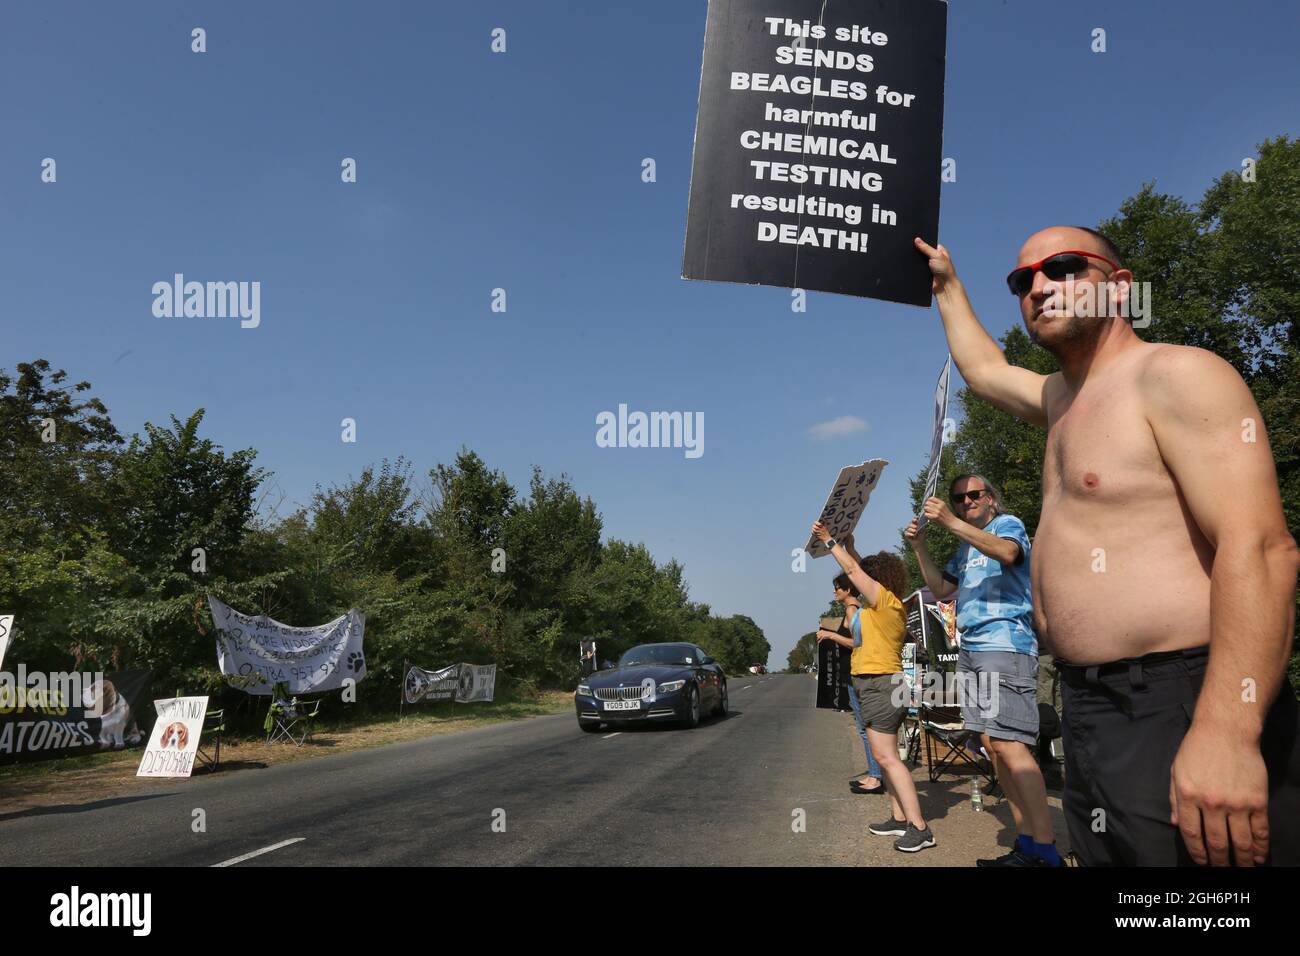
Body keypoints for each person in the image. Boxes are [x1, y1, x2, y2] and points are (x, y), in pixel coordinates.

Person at [915, 229, 1300, 866]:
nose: (1039, 286)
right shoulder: (1059, 400)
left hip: (1181, 695)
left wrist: (1229, 731)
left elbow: (1260, 550)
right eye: (1023, 280)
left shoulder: (1177, 375)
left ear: (1119, 288)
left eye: (1064, 268)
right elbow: (983, 373)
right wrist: (948, 285)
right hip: (1092, 704)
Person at [906, 474, 1061, 866]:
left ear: (991, 498)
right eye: (959, 499)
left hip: (1004, 643)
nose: (966, 501)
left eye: (974, 495)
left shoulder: (1007, 526)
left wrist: (950, 522)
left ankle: (1045, 851)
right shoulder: (966, 545)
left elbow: (1010, 555)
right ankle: (1026, 843)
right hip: (973, 648)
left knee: (1011, 744)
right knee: (993, 745)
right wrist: (921, 547)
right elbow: (942, 591)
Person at [813, 521, 936, 852]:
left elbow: (854, 570)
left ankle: (920, 828)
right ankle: (898, 818)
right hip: (876, 684)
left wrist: (829, 542)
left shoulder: (884, 601)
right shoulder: (881, 603)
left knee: (888, 758)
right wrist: (850, 544)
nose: (857, 583)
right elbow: (859, 567)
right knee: (886, 757)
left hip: (882, 684)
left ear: (876, 580)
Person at [819, 567, 884, 794]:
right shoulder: (853, 607)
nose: (835, 591)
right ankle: (874, 773)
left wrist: (831, 635)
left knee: (865, 727)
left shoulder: (852, 608)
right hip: (853, 672)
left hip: (855, 672)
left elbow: (857, 642)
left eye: (838, 588)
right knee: (865, 726)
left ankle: (875, 777)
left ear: (848, 589)